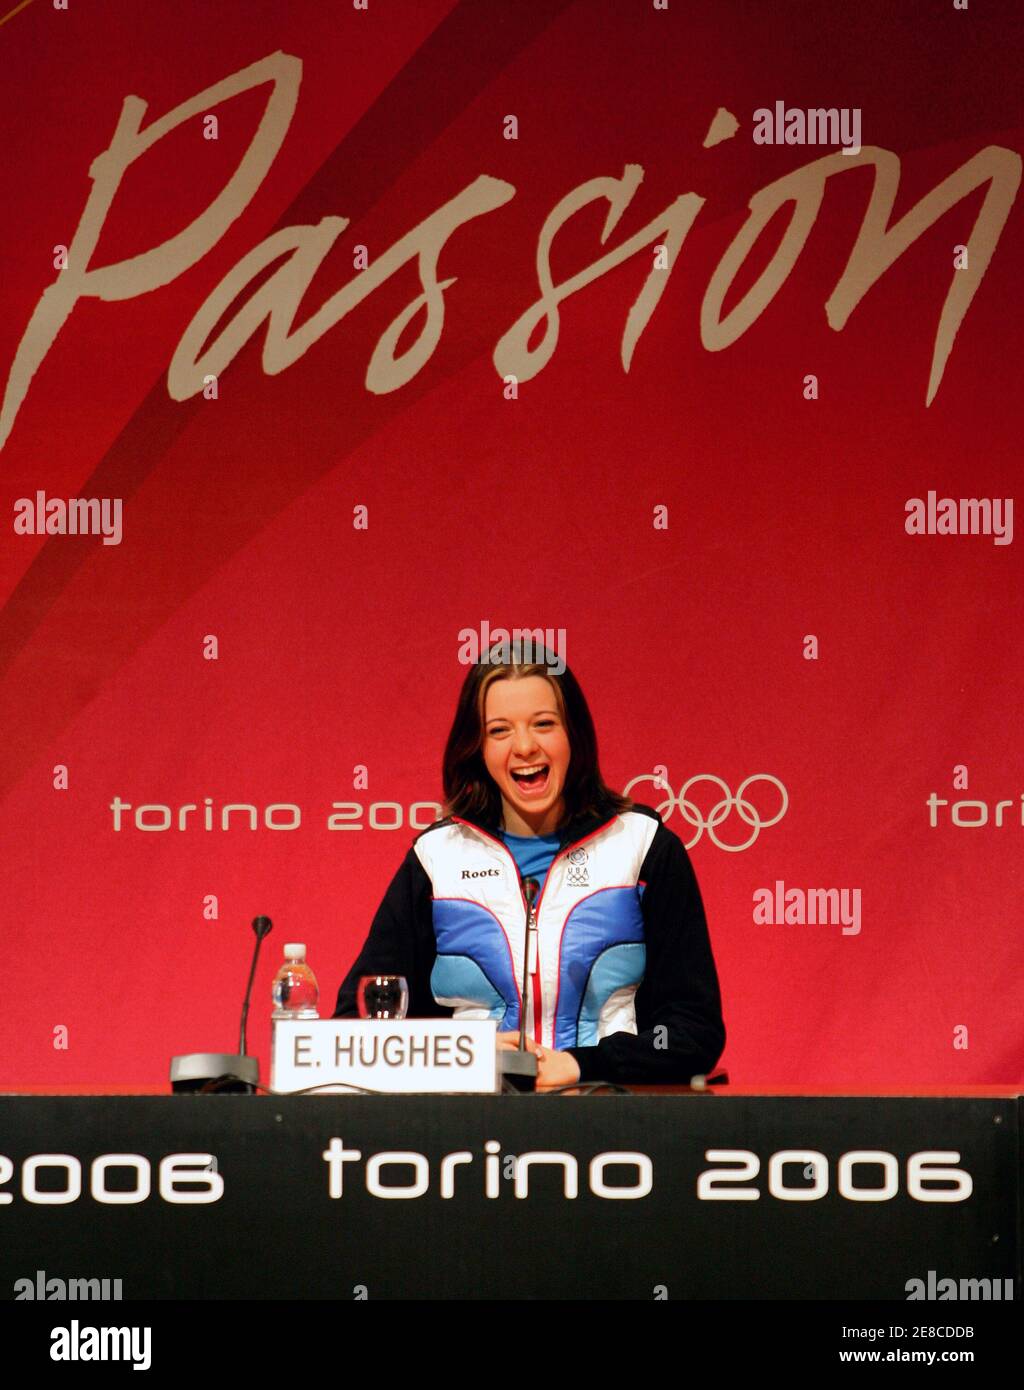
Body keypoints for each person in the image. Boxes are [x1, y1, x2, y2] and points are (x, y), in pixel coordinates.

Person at [333, 643, 725, 1087]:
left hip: (610, 1119)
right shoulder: (436, 858)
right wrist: (466, 1054)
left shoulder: (643, 847)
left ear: (573, 734)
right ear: (476, 747)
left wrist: (583, 1065)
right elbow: (360, 1022)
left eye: (543, 724)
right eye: (499, 731)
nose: (524, 747)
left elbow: (693, 1030)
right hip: (467, 1129)